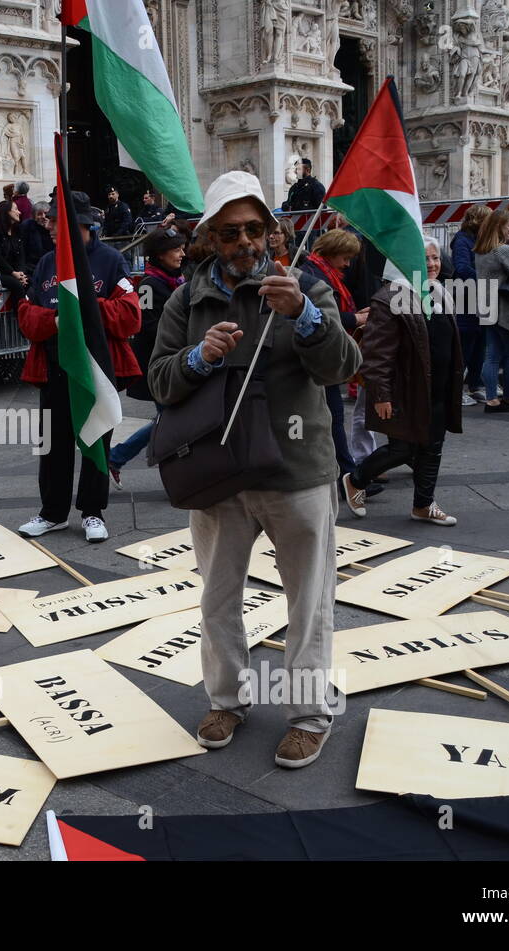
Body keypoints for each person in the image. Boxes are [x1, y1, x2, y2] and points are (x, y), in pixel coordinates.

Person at [148, 170, 361, 769]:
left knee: (309, 600)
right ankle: (227, 700)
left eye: (253, 230)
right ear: (210, 239)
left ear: (270, 230)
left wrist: (306, 317)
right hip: (219, 474)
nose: (244, 242)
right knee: (218, 597)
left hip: (296, 468)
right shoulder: (187, 299)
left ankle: (308, 714)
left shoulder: (304, 285)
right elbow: (157, 380)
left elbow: (343, 367)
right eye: (229, 233)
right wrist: (198, 355)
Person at [16, 191, 141, 544]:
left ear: (80, 224)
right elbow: (26, 316)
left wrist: (88, 309)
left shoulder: (111, 261)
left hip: (97, 372)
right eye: (48, 219)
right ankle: (51, 513)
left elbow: (130, 315)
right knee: (52, 445)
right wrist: (58, 320)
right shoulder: (45, 263)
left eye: (56, 220)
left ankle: (92, 512)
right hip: (54, 370)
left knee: (96, 443)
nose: (48, 225)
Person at [342, 237, 462, 527]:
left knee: (433, 446)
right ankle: (356, 480)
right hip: (405, 388)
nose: (432, 264)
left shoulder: (440, 293)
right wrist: (381, 394)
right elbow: (377, 351)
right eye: (425, 258)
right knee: (403, 449)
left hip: (438, 386)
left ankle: (423, 505)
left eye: (435, 258)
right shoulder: (389, 299)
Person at [109, 225, 185, 488]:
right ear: (160, 254)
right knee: (170, 422)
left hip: (175, 362)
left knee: (170, 421)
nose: (182, 254)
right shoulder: (151, 284)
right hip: (160, 365)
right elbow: (147, 325)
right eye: (176, 249)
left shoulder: (178, 279)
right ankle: (117, 457)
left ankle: (117, 457)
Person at [299, 228, 367, 482]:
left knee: (332, 419)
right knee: (333, 419)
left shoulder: (324, 273)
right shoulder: (315, 275)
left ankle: (346, 474)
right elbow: (325, 317)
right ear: (332, 252)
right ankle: (349, 477)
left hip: (323, 355)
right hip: (319, 357)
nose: (348, 264)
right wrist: (356, 318)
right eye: (345, 257)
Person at [474, 208, 509, 413]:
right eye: (508, 225)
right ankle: (508, 397)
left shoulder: (479, 251)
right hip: (505, 307)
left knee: (491, 355)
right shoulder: (504, 250)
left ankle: (491, 399)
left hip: (485, 306)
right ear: (499, 227)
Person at [451, 203, 490, 405]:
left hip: (483, 297)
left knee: (480, 343)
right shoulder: (462, 240)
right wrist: (487, 279)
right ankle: (456, 389)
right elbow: (462, 268)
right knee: (465, 344)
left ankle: (476, 384)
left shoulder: (482, 240)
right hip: (468, 297)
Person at [0, 199, 27, 297]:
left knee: (29, 281)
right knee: (16, 285)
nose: (19, 212)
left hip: (14, 271)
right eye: (16, 209)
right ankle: (19, 312)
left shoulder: (17, 230)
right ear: (7, 212)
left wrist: (21, 273)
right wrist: (13, 273)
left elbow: (21, 255)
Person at [20, 201, 54, 273]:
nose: (43, 217)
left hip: (50, 264)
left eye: (46, 213)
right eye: (39, 214)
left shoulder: (54, 226)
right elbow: (22, 248)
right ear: (34, 216)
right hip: (31, 265)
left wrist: (48, 228)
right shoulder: (27, 226)